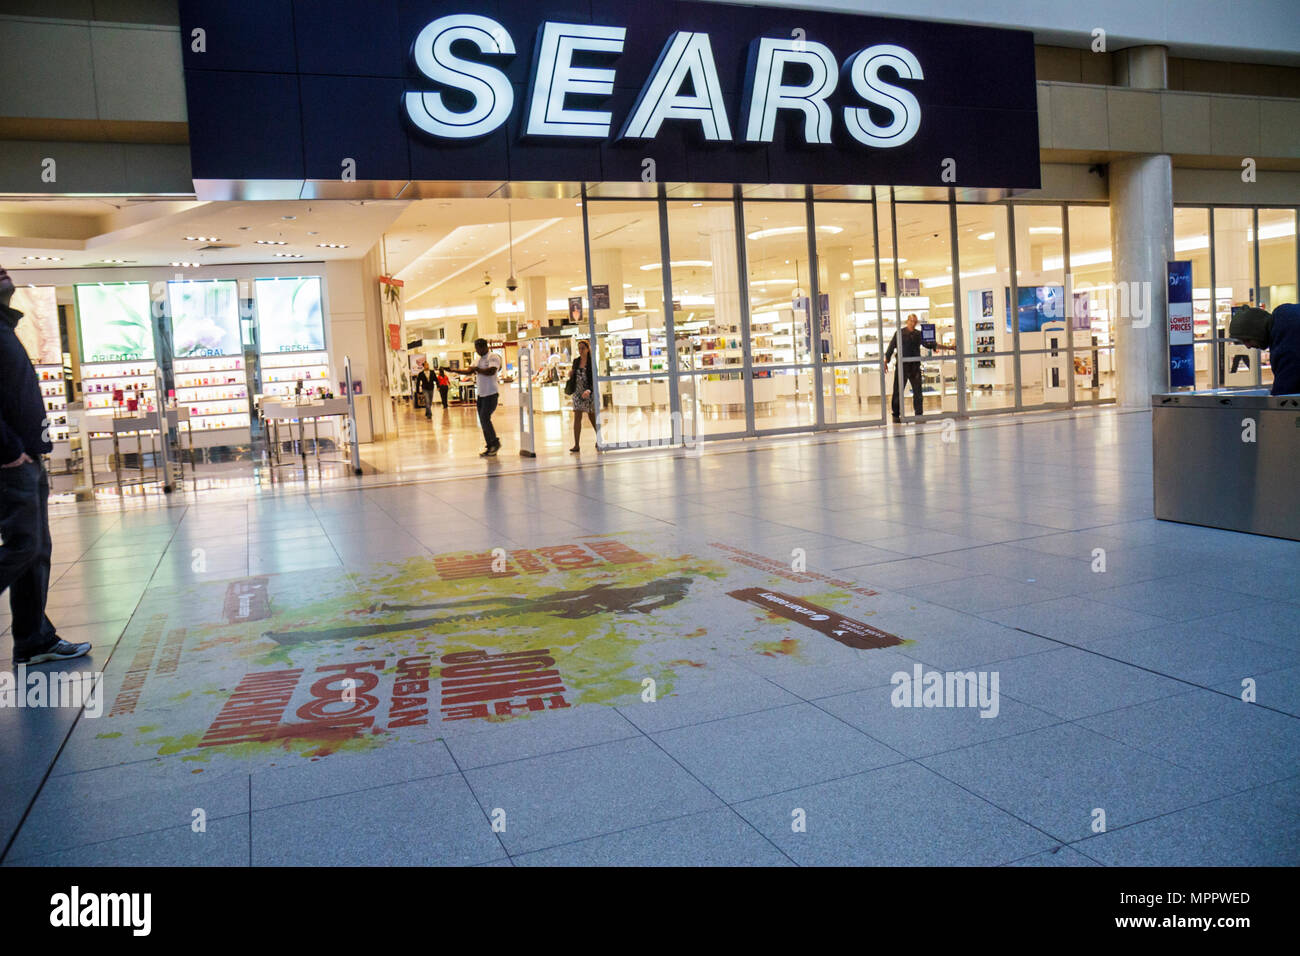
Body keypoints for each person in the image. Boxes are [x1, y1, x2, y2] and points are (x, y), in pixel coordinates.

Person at [0, 264, 90, 666]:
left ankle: (34, 639)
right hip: (10, 461)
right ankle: (33, 638)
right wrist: (8, 450)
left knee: (36, 551)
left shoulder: (5, 326)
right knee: (25, 546)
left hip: (25, 457)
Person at [884, 314, 956, 422]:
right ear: (907, 321)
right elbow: (890, 348)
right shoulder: (899, 333)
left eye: (915, 321)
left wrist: (948, 347)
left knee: (918, 391)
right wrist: (886, 361)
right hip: (902, 366)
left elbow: (931, 344)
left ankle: (919, 414)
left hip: (914, 366)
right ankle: (895, 415)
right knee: (898, 391)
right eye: (911, 321)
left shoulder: (918, 334)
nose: (913, 323)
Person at [1229, 304, 1300, 395]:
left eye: (1247, 340)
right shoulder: (1284, 313)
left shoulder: (1286, 345)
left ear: (1256, 331)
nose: (1248, 346)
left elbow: (1285, 394)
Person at [457, 338, 502, 456]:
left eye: (478, 348)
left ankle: (495, 443)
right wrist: (453, 370)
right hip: (481, 395)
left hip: (491, 394)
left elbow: (491, 371)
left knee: (485, 418)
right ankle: (490, 446)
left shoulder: (493, 357)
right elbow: (468, 371)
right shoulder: (477, 360)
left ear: (484, 347)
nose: (477, 351)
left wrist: (477, 369)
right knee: (483, 420)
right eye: (476, 349)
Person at [568, 339, 598, 453]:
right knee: (577, 417)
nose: (580, 351)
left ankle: (599, 438)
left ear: (587, 349)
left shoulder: (591, 362)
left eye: (582, 348)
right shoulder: (576, 361)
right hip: (577, 392)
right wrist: (571, 374)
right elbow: (574, 374)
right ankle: (576, 444)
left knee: (592, 416)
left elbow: (593, 378)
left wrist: (589, 390)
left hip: (588, 392)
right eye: (579, 348)